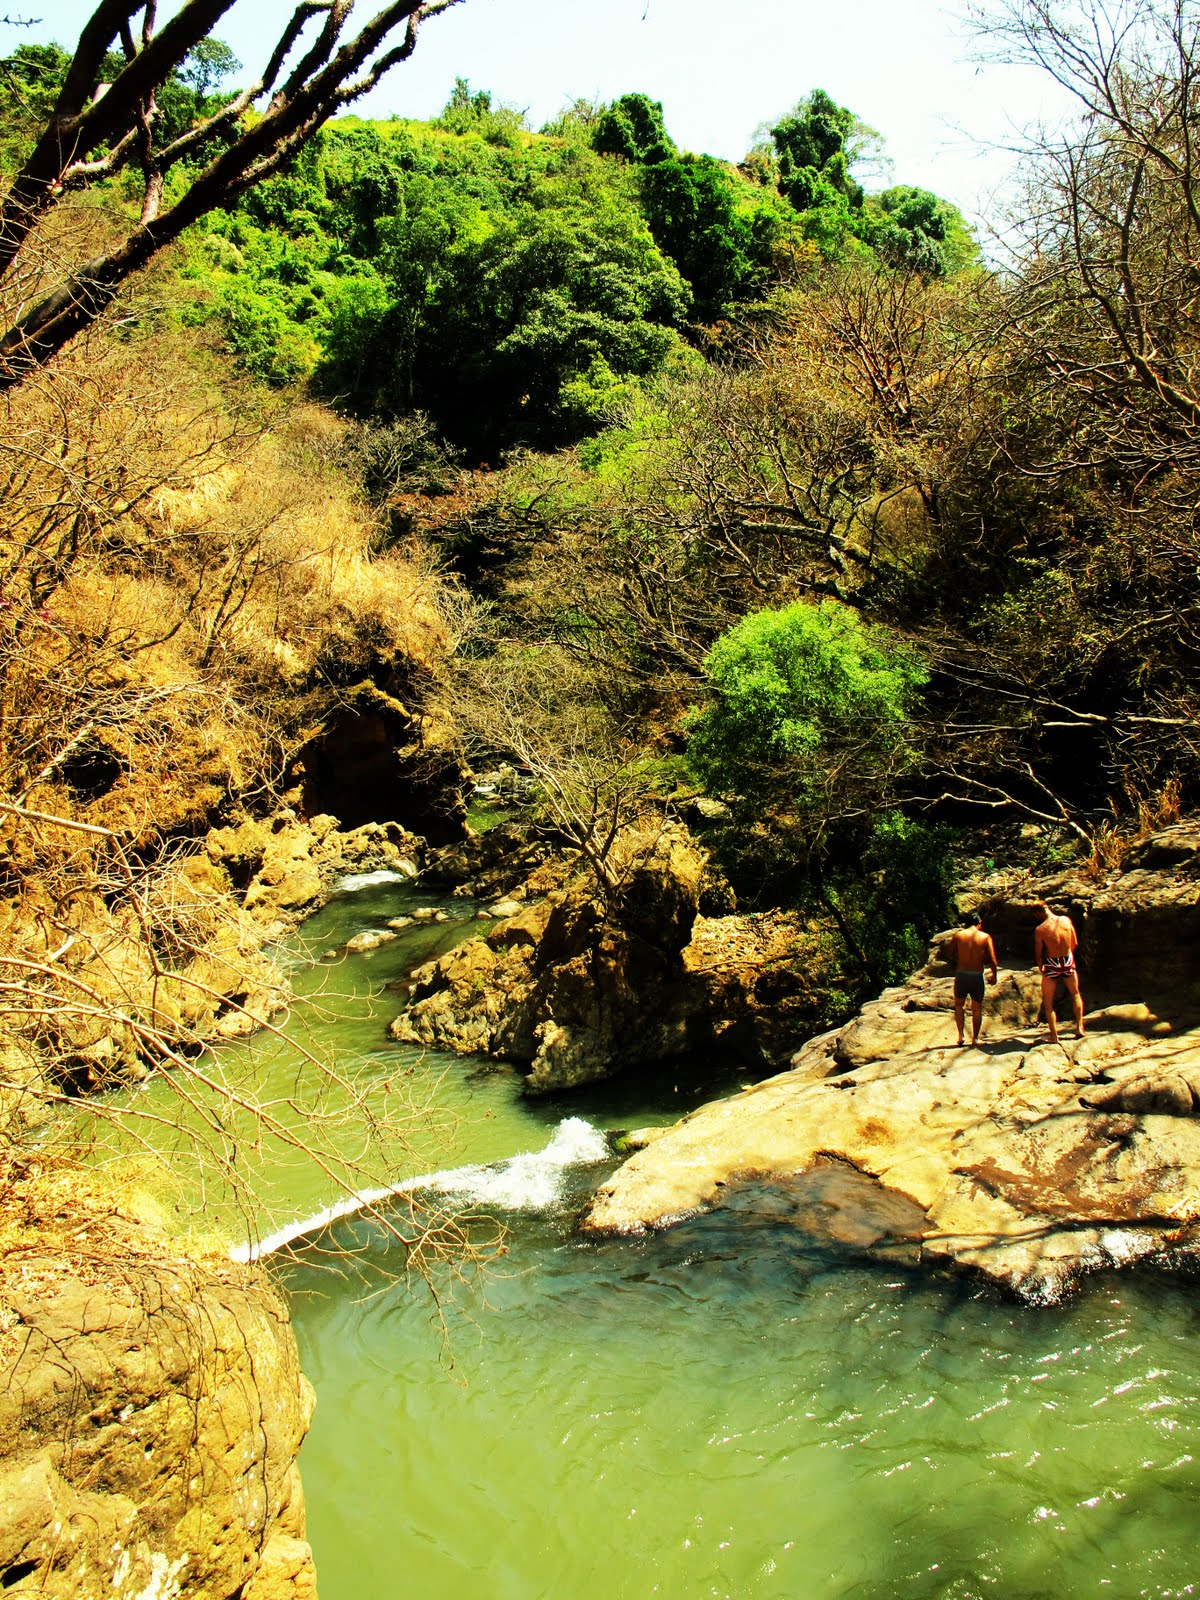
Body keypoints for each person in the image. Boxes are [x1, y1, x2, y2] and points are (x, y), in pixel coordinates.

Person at [1034, 901, 1085, 1043]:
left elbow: (1038, 953)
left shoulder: (1040, 929)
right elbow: (1074, 942)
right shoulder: (1065, 920)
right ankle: (1080, 1027)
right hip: (1067, 959)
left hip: (1052, 962)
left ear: (1038, 913)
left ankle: (1054, 1036)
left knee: (1048, 1002)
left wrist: (1041, 967)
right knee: (1075, 993)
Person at [948, 911, 998, 1046]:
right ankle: (975, 1039)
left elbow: (950, 953)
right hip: (976, 976)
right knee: (976, 1008)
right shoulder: (985, 937)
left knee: (959, 1005)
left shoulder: (958, 935)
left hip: (961, 974)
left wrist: (960, 961)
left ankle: (960, 1036)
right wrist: (994, 975)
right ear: (980, 923)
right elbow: (993, 960)